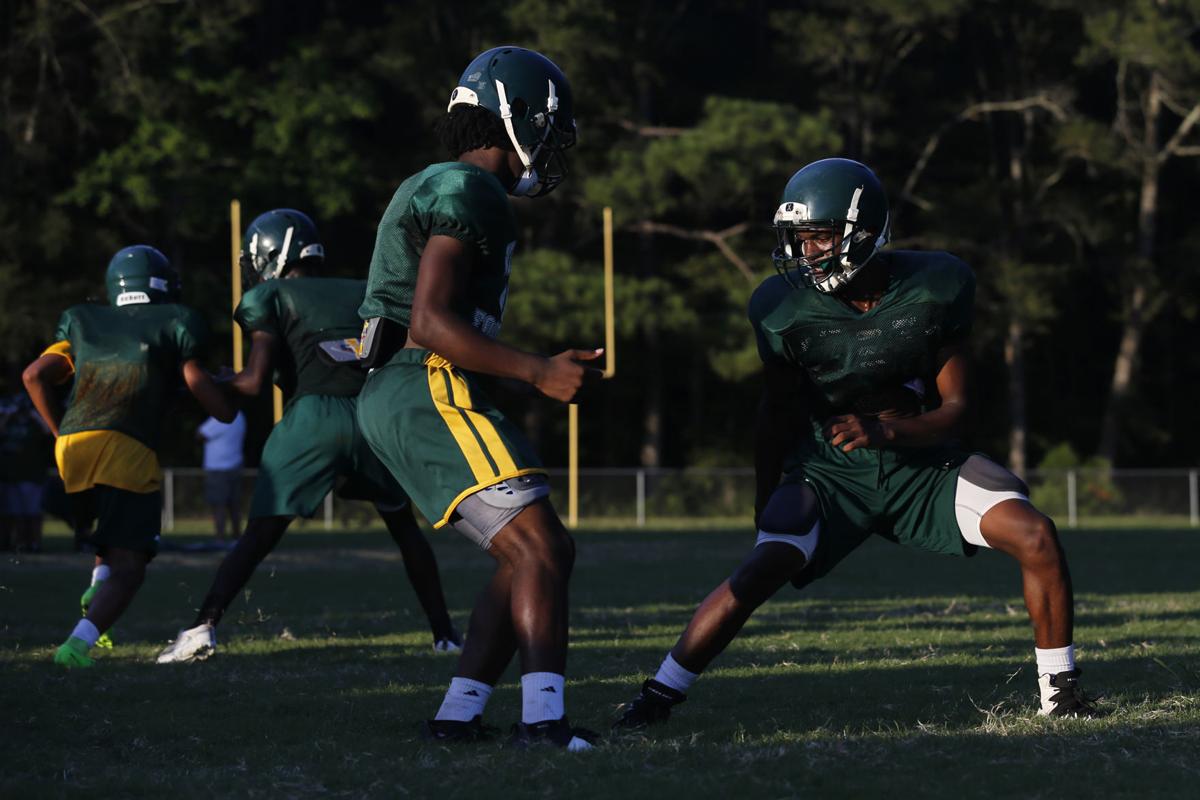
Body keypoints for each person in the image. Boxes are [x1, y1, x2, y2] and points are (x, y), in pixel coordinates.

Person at [613, 158, 1102, 728]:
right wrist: (765, 492)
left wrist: (888, 431)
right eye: (799, 240)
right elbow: (776, 410)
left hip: (920, 462)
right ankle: (656, 698)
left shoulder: (934, 286)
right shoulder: (784, 308)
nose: (806, 253)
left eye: (819, 237)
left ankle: (1059, 696)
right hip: (829, 469)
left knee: (1036, 534)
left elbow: (957, 409)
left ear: (863, 231)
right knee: (762, 567)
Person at [354, 46, 600, 749]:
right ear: (516, 118)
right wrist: (537, 371)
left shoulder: (456, 187)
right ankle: (543, 724)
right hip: (422, 378)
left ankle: (459, 717)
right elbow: (429, 322)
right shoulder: (468, 188)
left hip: (411, 385)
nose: (551, 148)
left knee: (528, 553)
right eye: (548, 128)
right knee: (544, 548)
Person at [155, 208, 461, 665]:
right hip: (373, 415)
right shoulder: (362, 290)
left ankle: (203, 627)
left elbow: (255, 382)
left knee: (259, 535)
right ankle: (445, 634)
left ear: (272, 254)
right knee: (404, 529)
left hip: (313, 418)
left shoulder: (272, 295)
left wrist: (207, 384)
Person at [23, 245, 236, 668]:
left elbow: (33, 375)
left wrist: (60, 431)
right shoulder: (175, 320)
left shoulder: (83, 320)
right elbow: (199, 385)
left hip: (73, 448)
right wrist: (227, 398)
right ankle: (77, 648)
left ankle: (97, 581)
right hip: (126, 447)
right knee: (132, 565)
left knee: (111, 538)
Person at [0, 386, 53, 552]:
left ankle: (34, 544)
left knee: (32, 513)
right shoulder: (8, 421)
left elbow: (49, 431)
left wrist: (34, 414)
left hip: (32, 475)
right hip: (10, 475)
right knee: (12, 514)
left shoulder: (35, 422)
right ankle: (15, 543)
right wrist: (8, 415)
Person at [197, 410, 246, 543]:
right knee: (234, 505)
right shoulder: (240, 417)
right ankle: (237, 538)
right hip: (235, 465)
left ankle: (220, 539)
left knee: (219, 505)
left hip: (218, 468)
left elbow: (201, 434)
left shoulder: (222, 415)